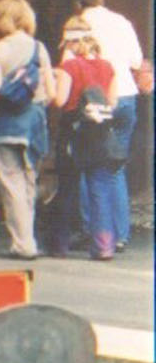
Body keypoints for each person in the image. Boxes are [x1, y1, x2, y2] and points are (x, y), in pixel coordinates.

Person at [0, 0, 52, 259]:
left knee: (11, 184)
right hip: (34, 122)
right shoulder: (40, 48)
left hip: (7, 124)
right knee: (29, 183)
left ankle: (23, 244)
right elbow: (49, 93)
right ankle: (27, 238)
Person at [69, 0, 144, 252]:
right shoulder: (121, 21)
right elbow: (136, 61)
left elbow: (69, 61)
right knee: (115, 165)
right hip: (125, 96)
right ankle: (120, 233)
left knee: (91, 165)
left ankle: (95, 231)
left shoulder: (77, 24)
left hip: (94, 99)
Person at [52, 17, 125, 259]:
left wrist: (52, 82)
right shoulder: (108, 67)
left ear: (72, 44)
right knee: (100, 189)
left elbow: (60, 101)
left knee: (67, 188)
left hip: (73, 135)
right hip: (100, 135)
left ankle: (59, 245)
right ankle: (104, 245)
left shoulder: (69, 68)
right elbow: (113, 102)